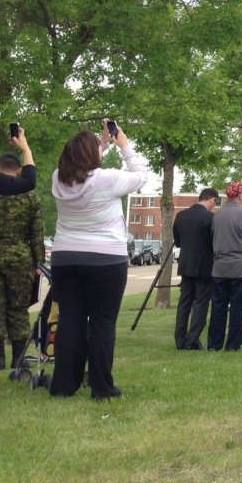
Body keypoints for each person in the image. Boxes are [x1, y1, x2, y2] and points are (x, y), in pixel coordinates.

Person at [50, 121, 149, 398]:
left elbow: (83, 167)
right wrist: (124, 145)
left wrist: (102, 144)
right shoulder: (106, 180)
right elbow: (140, 176)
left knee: (70, 320)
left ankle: (63, 385)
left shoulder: (58, 178)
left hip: (65, 256)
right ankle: (101, 387)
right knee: (102, 323)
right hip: (105, 258)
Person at [0, 149, 44, 370]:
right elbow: (37, 233)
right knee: (18, 309)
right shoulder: (29, 195)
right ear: (18, 171)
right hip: (20, 259)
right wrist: (38, 263)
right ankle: (18, 358)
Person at [208, 182, 242, 352]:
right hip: (241, 267)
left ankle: (214, 343)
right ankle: (233, 344)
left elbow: (213, 237)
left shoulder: (217, 214)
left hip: (220, 267)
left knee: (218, 306)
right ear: (241, 195)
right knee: (238, 307)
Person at [173, 187, 217, 350]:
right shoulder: (210, 218)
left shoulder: (181, 216)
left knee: (184, 302)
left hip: (185, 264)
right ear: (212, 200)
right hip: (204, 265)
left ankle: (180, 338)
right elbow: (214, 242)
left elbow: (177, 242)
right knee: (201, 303)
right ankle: (192, 339)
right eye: (214, 203)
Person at [0, 126, 36, 195]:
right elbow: (30, 183)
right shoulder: (29, 196)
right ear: (20, 171)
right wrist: (26, 149)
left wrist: (26, 150)